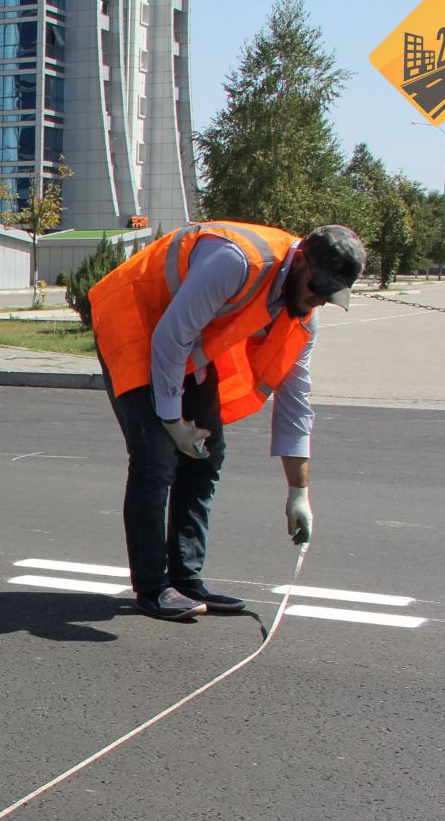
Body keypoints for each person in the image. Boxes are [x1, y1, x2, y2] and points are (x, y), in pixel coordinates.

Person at [87, 222, 367, 620]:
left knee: (206, 456)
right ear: (300, 258)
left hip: (185, 341)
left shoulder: (302, 317)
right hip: (133, 319)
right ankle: (152, 588)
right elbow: (169, 338)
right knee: (157, 460)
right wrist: (171, 420)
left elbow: (295, 403)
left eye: (328, 295)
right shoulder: (236, 261)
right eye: (315, 287)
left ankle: (186, 579)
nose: (317, 300)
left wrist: (298, 492)